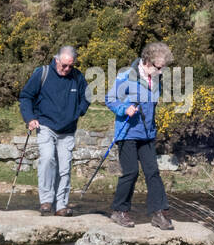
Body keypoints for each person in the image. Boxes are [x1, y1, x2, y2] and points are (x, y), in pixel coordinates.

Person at [105, 42, 174, 230]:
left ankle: (159, 213)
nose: (161, 72)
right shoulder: (126, 76)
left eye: (163, 69)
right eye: (159, 68)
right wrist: (123, 108)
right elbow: (110, 99)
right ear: (146, 61)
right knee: (131, 172)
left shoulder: (155, 79)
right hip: (127, 132)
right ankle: (119, 211)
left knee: (153, 172)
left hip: (147, 133)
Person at [19, 46, 90, 216]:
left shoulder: (78, 77)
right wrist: (30, 118)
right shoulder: (42, 73)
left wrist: (77, 112)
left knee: (64, 168)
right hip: (45, 126)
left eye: (70, 66)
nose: (66, 69)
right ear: (56, 60)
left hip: (67, 130)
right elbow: (26, 96)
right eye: (64, 65)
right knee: (47, 158)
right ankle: (46, 201)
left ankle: (61, 206)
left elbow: (86, 97)